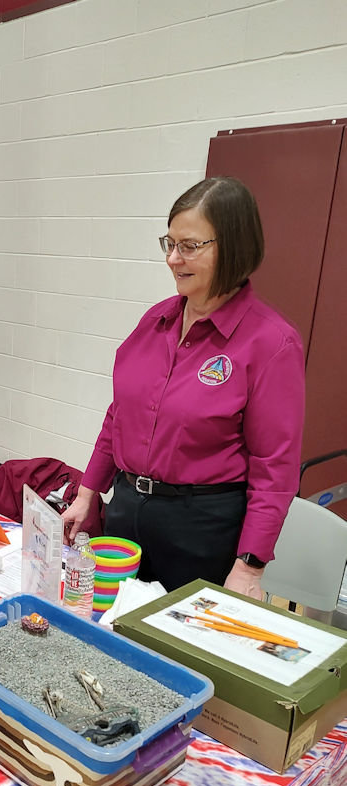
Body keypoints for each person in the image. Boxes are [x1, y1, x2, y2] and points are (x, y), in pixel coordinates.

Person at [62, 176, 305, 600]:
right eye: (169, 244)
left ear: (232, 246)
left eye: (190, 246)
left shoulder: (270, 343)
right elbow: (119, 415)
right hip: (126, 511)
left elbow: (275, 468)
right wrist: (87, 494)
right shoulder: (155, 321)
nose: (174, 259)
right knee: (107, 632)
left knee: (175, 652)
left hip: (201, 529)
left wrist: (249, 567)